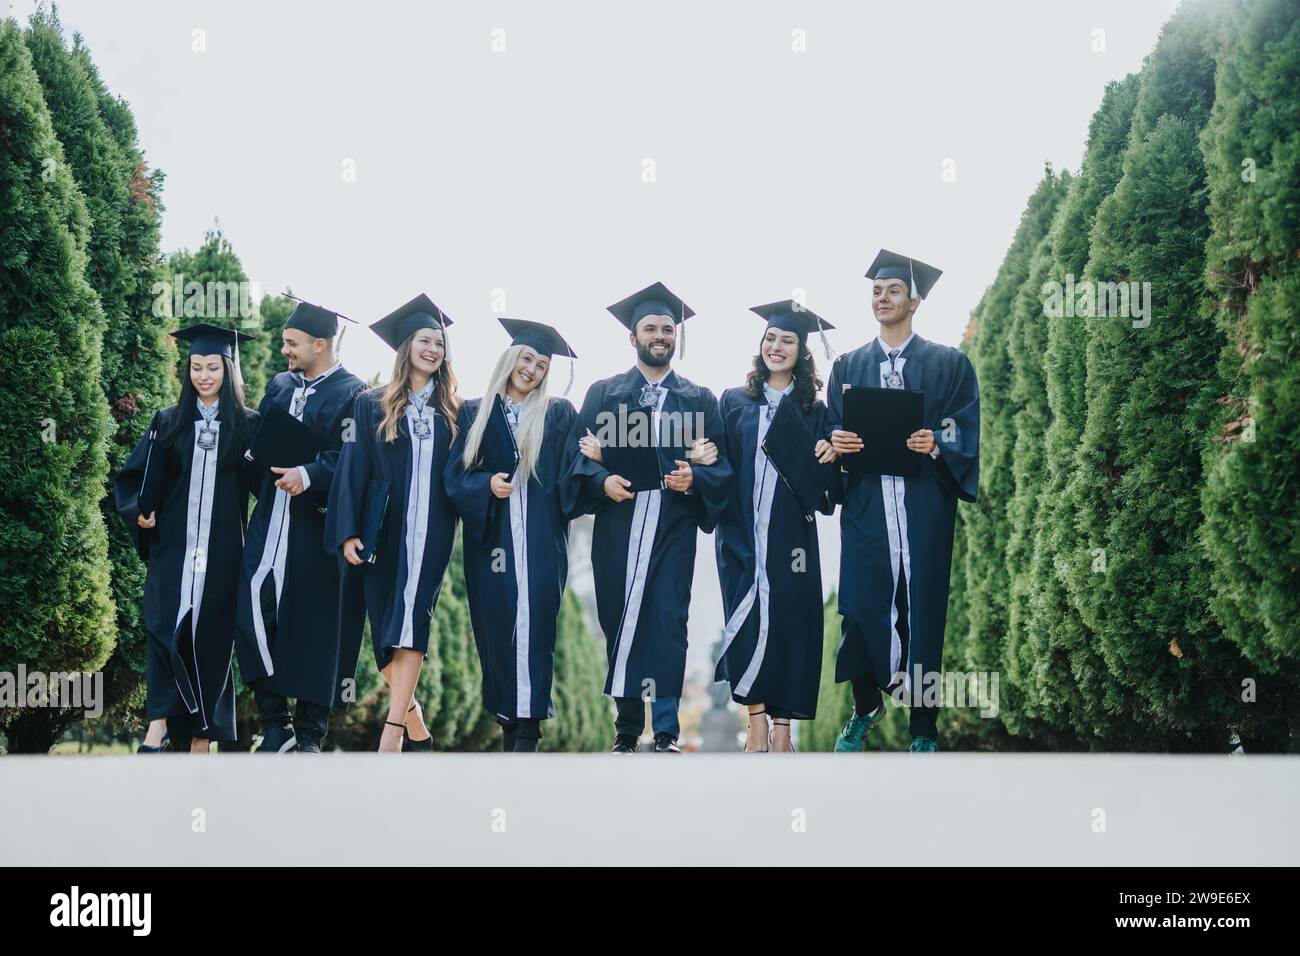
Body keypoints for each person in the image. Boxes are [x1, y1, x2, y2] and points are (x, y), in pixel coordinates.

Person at [566, 282, 732, 753]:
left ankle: (664, 729)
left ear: (675, 337)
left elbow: (721, 466)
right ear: (632, 337)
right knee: (620, 615)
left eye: (666, 328)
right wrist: (601, 481)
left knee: (667, 618)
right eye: (650, 328)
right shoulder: (604, 392)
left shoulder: (699, 398)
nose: (659, 335)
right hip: (620, 518)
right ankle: (625, 728)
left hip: (673, 521)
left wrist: (694, 480)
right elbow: (576, 456)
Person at [827, 250, 980, 753]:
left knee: (925, 615)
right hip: (869, 509)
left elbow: (963, 424)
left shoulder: (948, 363)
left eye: (893, 290)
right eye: (876, 291)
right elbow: (830, 427)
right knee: (858, 606)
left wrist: (937, 441)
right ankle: (866, 705)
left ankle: (923, 730)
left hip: (923, 511)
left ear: (915, 299)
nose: (883, 298)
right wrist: (838, 442)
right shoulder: (848, 365)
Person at [113, 324, 259, 753]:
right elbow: (131, 479)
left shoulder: (248, 427)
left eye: (213, 367)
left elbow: (267, 487)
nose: (204, 376)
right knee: (162, 629)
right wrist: (139, 512)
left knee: (210, 640)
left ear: (228, 370)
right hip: (174, 549)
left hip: (222, 554)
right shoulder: (169, 421)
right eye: (196, 367)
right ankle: (157, 728)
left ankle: (199, 738)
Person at [326, 293, 460, 753]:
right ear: (407, 347)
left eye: (440, 343)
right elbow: (352, 468)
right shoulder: (371, 405)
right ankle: (415, 717)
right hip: (382, 530)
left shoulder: (455, 413)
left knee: (412, 623)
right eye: (426, 340)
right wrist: (347, 530)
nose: (434, 350)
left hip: (433, 533)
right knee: (384, 630)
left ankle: (393, 729)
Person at [235, 299, 367, 753]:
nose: (285, 351)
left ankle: (310, 733)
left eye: (292, 344)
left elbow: (351, 460)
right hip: (269, 519)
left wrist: (308, 474)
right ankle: (276, 723)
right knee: (251, 611)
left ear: (320, 344)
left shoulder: (355, 393)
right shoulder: (279, 385)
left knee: (317, 625)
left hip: (316, 527)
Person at [445, 319, 579, 753]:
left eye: (541, 365)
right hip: (493, 544)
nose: (533, 370)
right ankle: (508, 721)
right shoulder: (473, 412)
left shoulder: (557, 413)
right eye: (527, 359)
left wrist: (595, 456)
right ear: (510, 359)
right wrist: (485, 486)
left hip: (541, 544)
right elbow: (453, 477)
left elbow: (575, 474)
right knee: (496, 628)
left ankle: (529, 729)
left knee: (535, 629)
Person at [714, 301, 838, 752]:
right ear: (760, 345)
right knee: (745, 621)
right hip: (741, 533)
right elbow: (719, 468)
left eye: (787, 340)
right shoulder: (732, 401)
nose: (776, 347)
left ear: (802, 350)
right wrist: (707, 462)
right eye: (770, 339)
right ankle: (757, 724)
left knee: (791, 622)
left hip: (791, 537)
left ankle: (784, 730)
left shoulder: (815, 410)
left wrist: (830, 455)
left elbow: (826, 485)